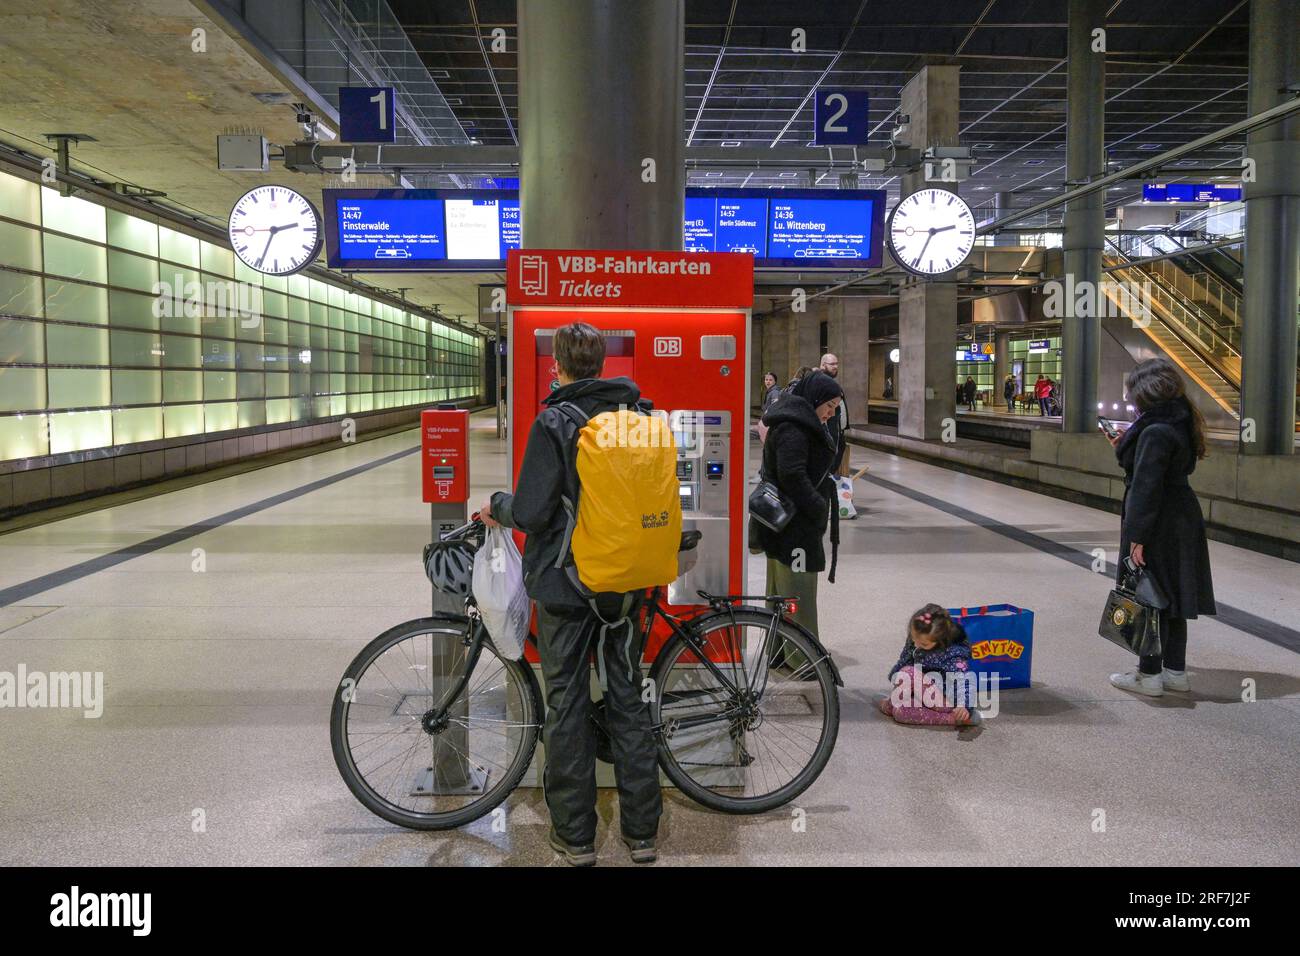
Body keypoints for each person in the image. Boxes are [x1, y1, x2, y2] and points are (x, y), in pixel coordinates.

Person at [480, 322, 661, 866]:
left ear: (559, 364)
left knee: (567, 705)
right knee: (629, 701)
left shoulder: (555, 421)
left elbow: (534, 511)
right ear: (601, 363)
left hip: (566, 586)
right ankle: (642, 834)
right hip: (626, 584)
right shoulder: (638, 415)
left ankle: (577, 838)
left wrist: (498, 504)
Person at [1104, 357, 1215, 697]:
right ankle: (1175, 673)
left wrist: (1138, 537)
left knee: (1149, 597)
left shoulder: (1153, 431)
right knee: (1175, 598)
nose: (1130, 400)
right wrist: (1127, 445)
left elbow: (1146, 487)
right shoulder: (1181, 422)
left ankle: (1148, 675)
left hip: (1157, 521)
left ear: (1147, 395)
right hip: (1182, 517)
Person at [751, 370, 843, 665]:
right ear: (814, 399)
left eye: (835, 408)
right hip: (794, 527)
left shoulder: (795, 419)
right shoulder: (796, 427)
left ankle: (780, 653)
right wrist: (818, 506)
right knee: (798, 594)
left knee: (780, 592)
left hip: (783, 525)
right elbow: (792, 475)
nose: (831, 413)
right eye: (829, 406)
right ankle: (803, 659)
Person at [878, 604, 979, 727]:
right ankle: (893, 705)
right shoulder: (918, 637)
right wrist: (895, 675)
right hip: (924, 692)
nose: (916, 644)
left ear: (940, 641)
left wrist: (963, 706)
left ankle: (955, 718)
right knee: (900, 711)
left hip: (946, 700)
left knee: (908, 672)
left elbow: (964, 680)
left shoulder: (952, 653)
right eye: (914, 638)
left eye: (923, 644)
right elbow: (905, 659)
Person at [819, 353, 850, 476]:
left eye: (836, 364)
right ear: (822, 365)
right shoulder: (820, 383)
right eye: (832, 364)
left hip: (836, 431)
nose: (835, 366)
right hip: (827, 431)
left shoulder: (830, 383)